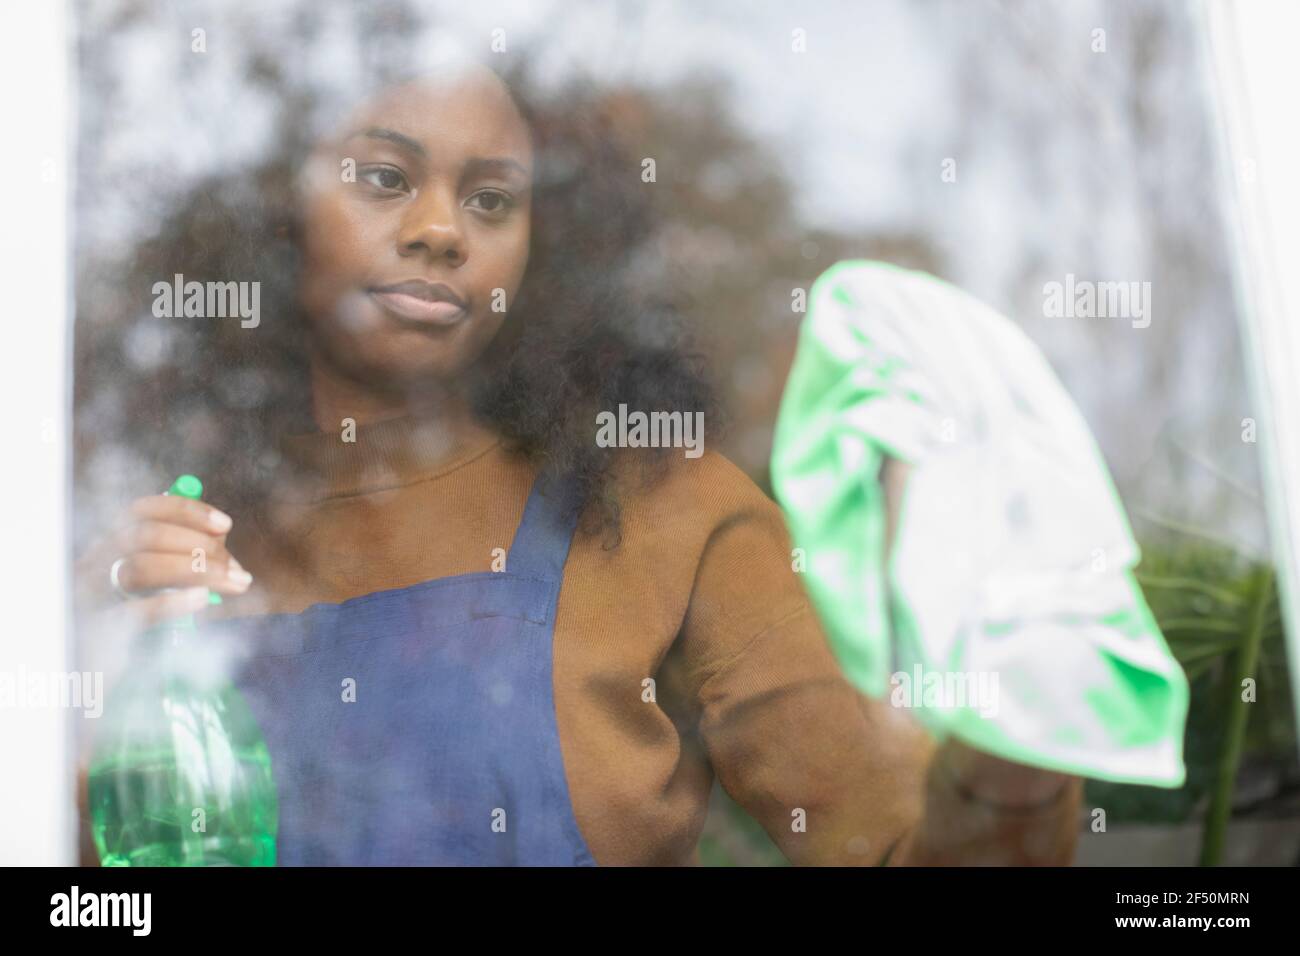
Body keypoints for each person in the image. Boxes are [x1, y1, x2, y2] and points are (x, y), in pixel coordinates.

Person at [75, 60, 1081, 865]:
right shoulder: (174, 536)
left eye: (491, 200)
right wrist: (95, 648)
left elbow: (899, 849)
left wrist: (1023, 696)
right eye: (384, 179)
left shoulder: (663, 507)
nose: (437, 230)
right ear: (276, 218)